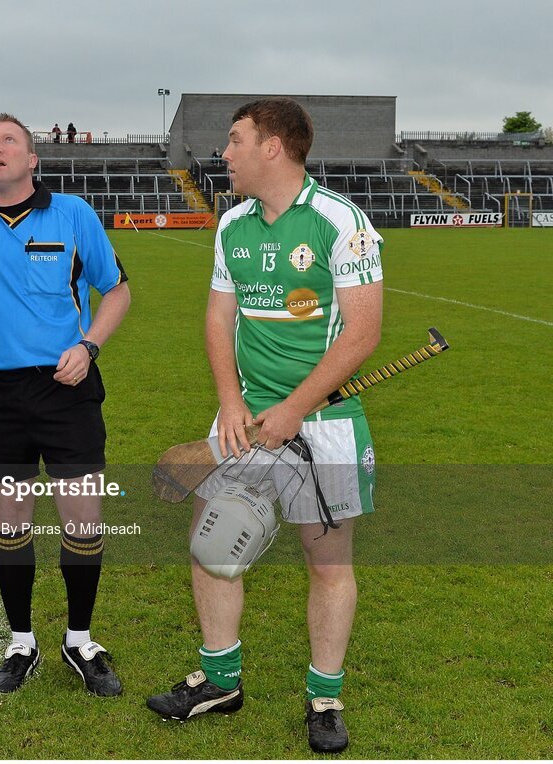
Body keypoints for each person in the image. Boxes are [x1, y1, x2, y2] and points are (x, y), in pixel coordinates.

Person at [145, 98, 383, 755]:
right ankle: (220, 680)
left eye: (234, 140)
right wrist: (231, 402)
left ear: (273, 147)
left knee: (327, 560)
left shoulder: (343, 222)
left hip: (326, 422)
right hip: (247, 416)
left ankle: (325, 697)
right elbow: (219, 318)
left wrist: (297, 408)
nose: (224, 154)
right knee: (213, 541)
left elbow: (362, 333)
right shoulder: (232, 226)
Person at [0, 113, 131, 697]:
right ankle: (21, 641)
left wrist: (90, 345)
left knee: (84, 518)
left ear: (32, 159)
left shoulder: (73, 214)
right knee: (12, 520)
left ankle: (79, 639)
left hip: (67, 390)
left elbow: (116, 288)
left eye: (8, 142)